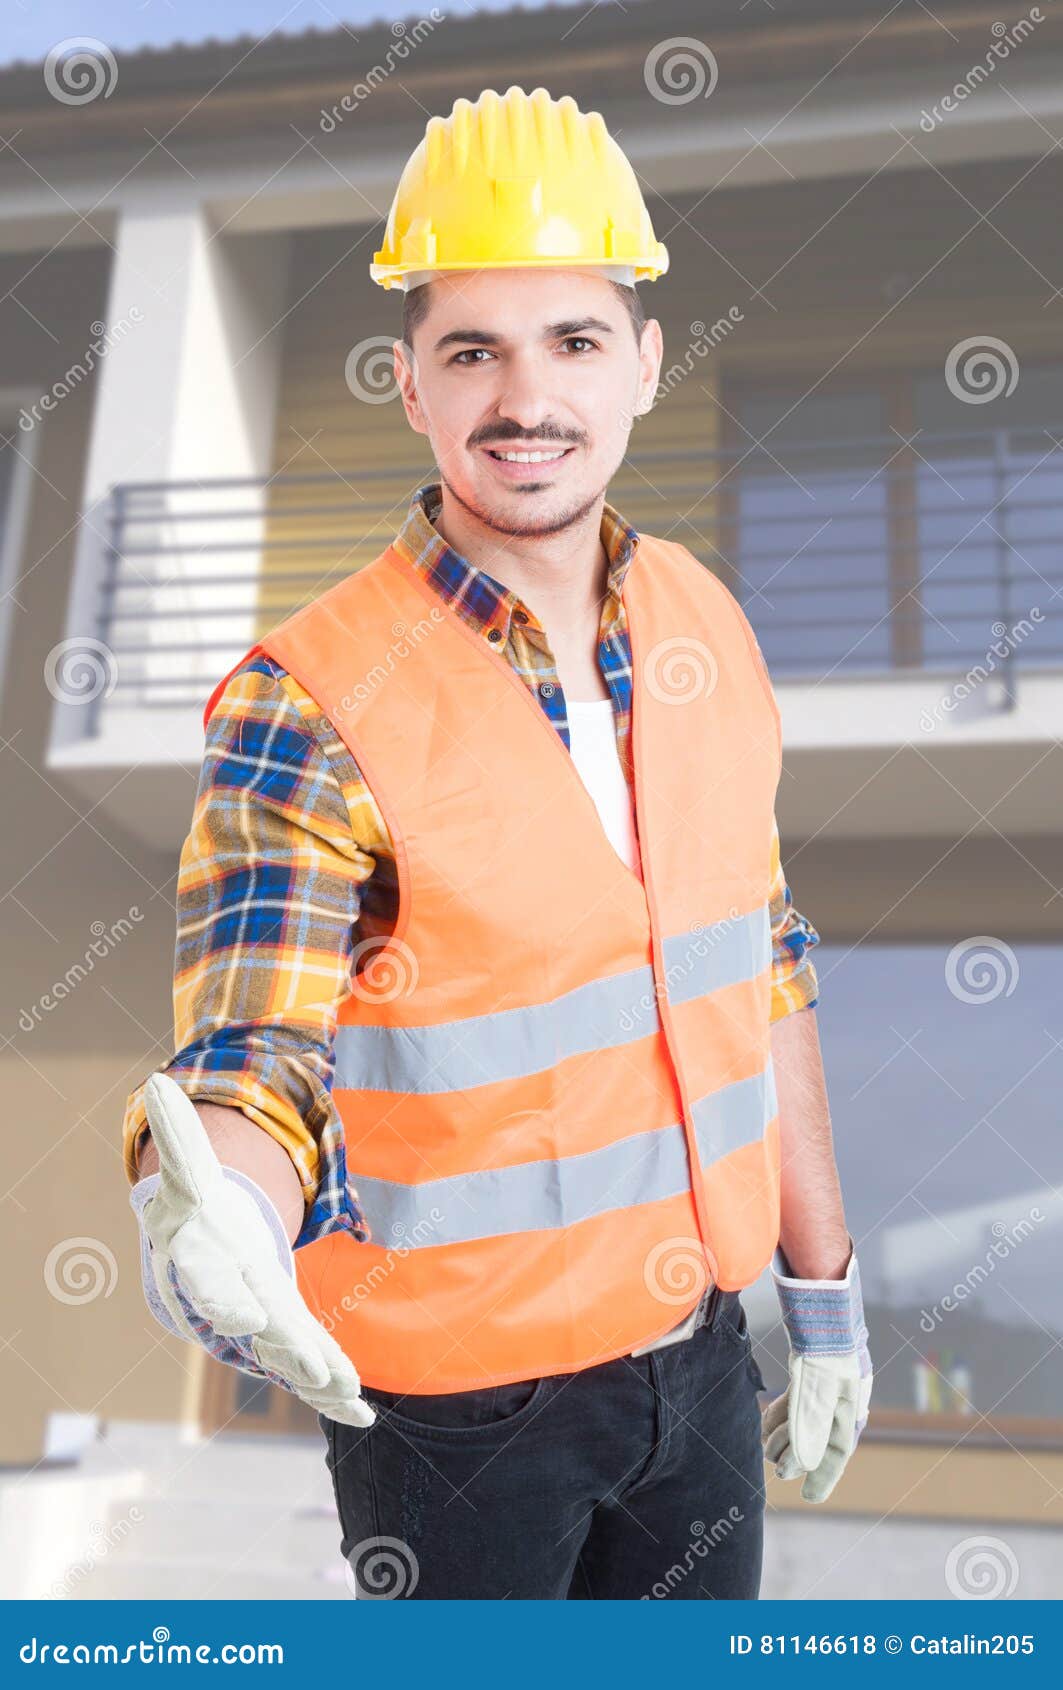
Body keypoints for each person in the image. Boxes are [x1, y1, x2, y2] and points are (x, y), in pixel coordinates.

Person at [124, 85, 872, 1601]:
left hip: (703, 1359)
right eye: (474, 351)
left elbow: (766, 963)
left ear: (645, 363)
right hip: (458, 1419)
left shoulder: (706, 627)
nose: (526, 396)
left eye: (573, 341)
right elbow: (259, 1044)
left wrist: (827, 1286)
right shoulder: (312, 694)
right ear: (411, 385)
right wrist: (230, 1216)